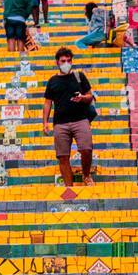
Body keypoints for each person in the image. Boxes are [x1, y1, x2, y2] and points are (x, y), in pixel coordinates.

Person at [43, 47, 96, 187]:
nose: (66, 63)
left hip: (81, 119)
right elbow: (48, 103)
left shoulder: (79, 76)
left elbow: (91, 96)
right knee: (62, 156)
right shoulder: (52, 81)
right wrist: (45, 123)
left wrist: (82, 98)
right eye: (63, 61)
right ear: (57, 63)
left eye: (68, 60)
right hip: (60, 123)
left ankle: (86, 175)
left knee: (86, 149)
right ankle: (69, 186)